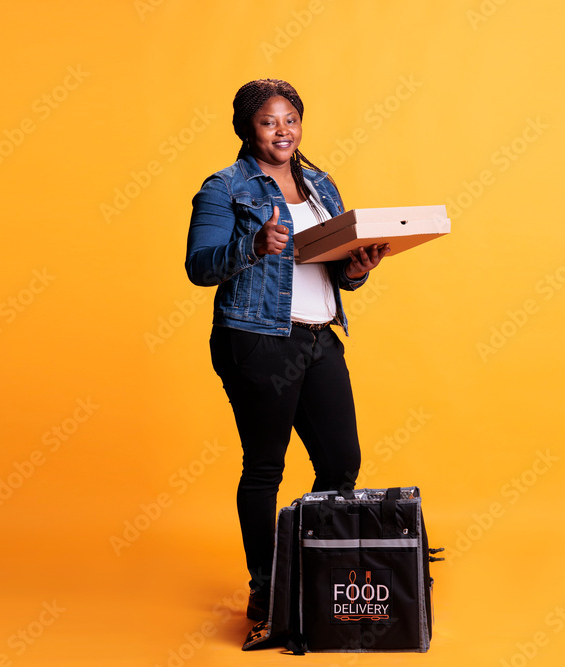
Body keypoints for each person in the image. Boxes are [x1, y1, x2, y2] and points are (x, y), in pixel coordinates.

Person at [184, 78, 389, 623]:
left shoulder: (320, 184)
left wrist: (357, 269)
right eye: (269, 121)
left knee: (341, 464)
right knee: (265, 467)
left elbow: (334, 269)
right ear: (248, 127)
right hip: (258, 338)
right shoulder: (225, 187)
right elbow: (200, 267)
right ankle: (267, 588)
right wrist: (251, 245)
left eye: (291, 120)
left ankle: (311, 570)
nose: (283, 131)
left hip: (320, 335)